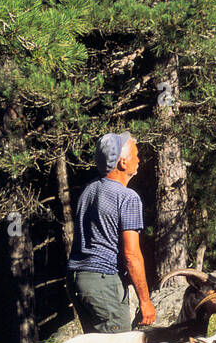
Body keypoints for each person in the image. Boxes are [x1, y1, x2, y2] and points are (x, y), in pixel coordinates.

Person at [67, 131, 157, 332]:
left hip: (76, 280)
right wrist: (145, 301)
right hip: (103, 281)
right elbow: (131, 255)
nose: (139, 159)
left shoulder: (88, 191)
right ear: (123, 163)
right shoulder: (127, 197)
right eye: (135, 154)